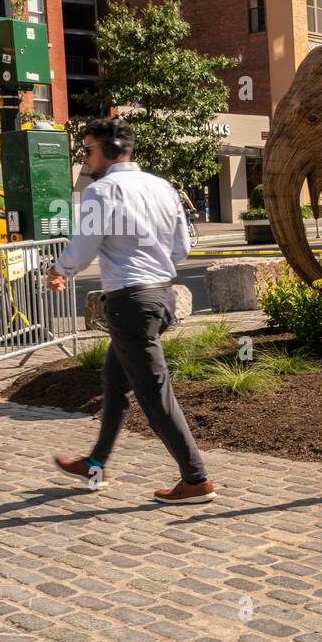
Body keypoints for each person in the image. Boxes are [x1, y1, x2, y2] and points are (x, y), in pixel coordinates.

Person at [47, 117, 216, 504]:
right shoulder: (162, 186)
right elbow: (181, 249)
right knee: (114, 381)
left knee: (155, 397)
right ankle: (96, 464)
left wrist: (59, 270)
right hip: (160, 295)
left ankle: (196, 479)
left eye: (87, 150)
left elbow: (85, 245)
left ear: (107, 151)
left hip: (129, 302)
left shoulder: (100, 192)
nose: (84, 159)